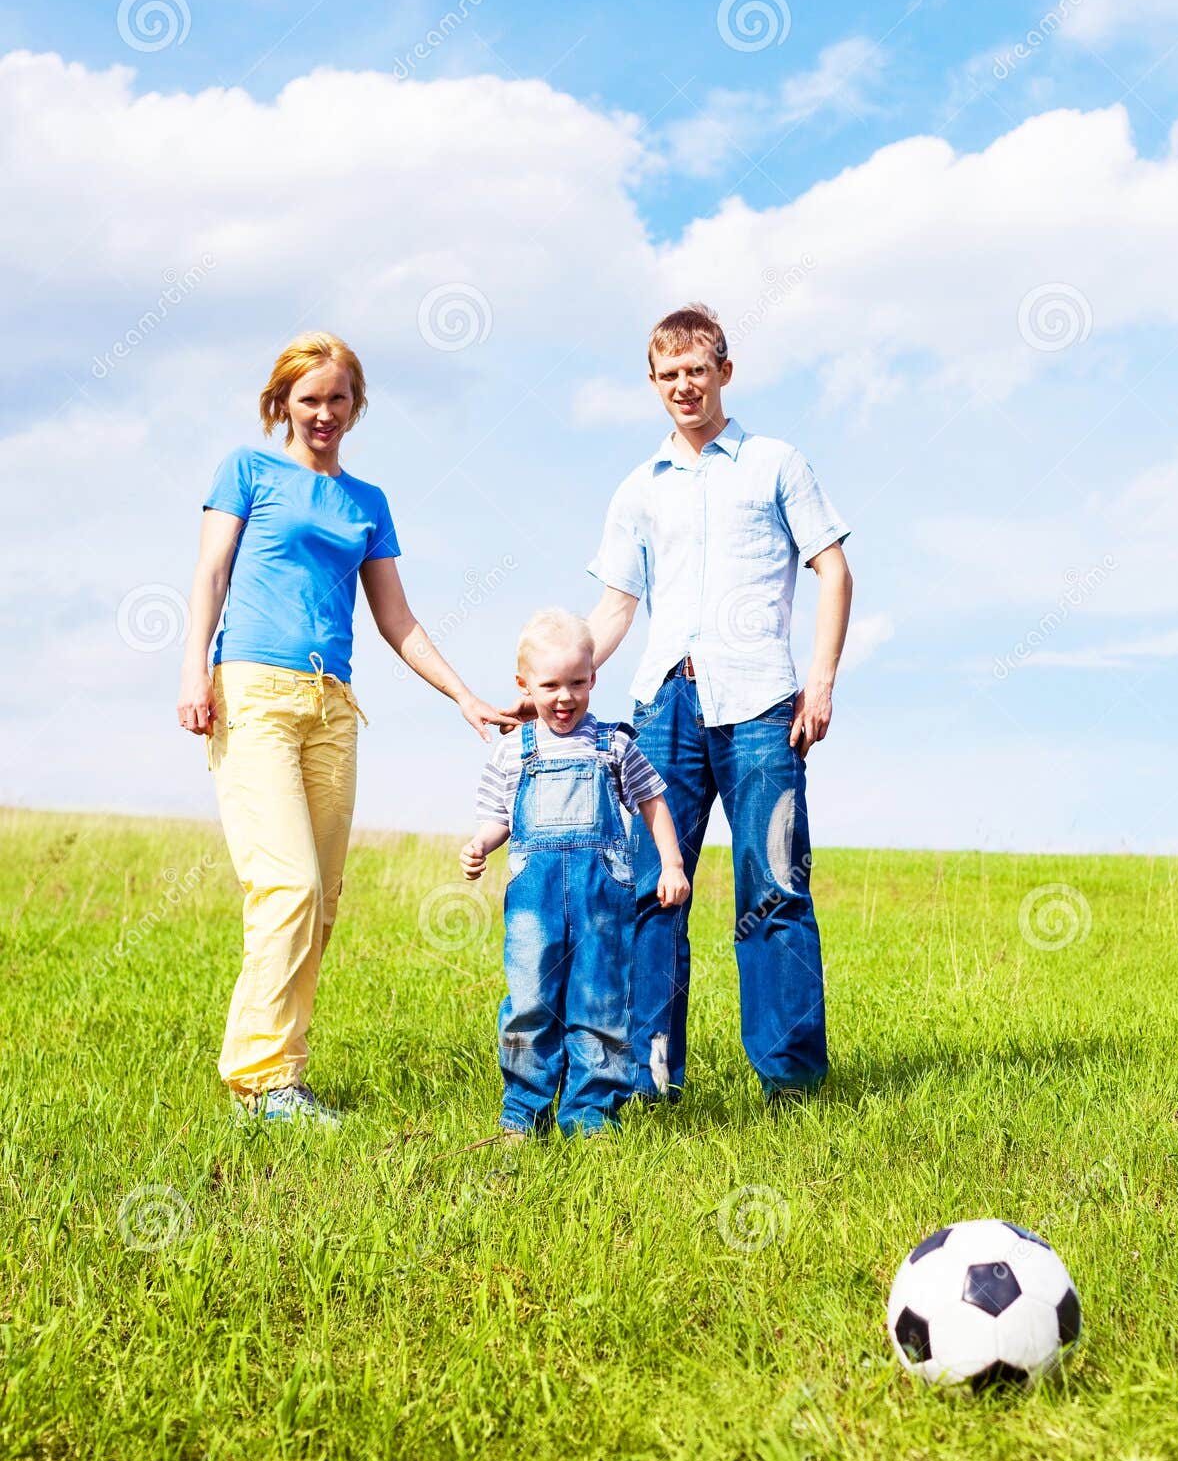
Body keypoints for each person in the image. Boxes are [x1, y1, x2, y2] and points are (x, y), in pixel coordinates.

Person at [177, 330, 509, 1125]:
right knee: (285, 884)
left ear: (356, 406)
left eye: (337, 399)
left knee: (320, 899)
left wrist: (464, 697)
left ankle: (283, 1075)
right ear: (280, 403)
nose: (323, 413)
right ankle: (258, 1082)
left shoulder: (368, 503)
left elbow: (396, 619)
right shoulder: (248, 471)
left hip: (333, 707)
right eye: (308, 399)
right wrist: (194, 669)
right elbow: (211, 571)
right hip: (252, 689)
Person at [583, 303, 853, 1106]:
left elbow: (832, 571)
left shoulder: (774, 462)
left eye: (696, 370)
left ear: (723, 372)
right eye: (667, 375)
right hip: (662, 705)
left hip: (762, 703)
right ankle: (649, 1078)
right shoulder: (637, 489)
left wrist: (823, 681)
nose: (683, 386)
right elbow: (613, 610)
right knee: (649, 890)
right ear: (652, 383)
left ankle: (791, 1082)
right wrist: (553, 685)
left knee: (772, 886)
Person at [461, 608, 689, 1139]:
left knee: (601, 1003)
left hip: (601, 900)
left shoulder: (614, 745)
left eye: (577, 683)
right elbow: (498, 818)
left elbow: (652, 801)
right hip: (533, 907)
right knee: (529, 1003)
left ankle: (590, 1116)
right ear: (524, 686)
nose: (565, 697)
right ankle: (524, 1111)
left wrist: (672, 864)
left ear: (593, 679)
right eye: (550, 685)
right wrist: (480, 845)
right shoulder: (511, 752)